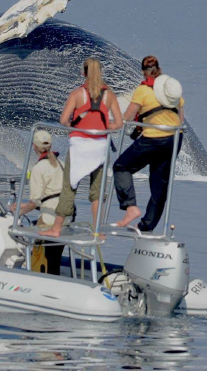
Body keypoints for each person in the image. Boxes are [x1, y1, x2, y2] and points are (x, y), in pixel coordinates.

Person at [39, 58, 122, 238]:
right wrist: (107, 128)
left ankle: (56, 228)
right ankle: (98, 230)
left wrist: (75, 124)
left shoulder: (77, 94)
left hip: (79, 147)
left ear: (83, 73)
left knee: (70, 187)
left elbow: (63, 121)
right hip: (100, 147)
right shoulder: (109, 95)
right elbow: (119, 123)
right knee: (97, 191)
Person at [114, 55, 184, 232]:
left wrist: (113, 123)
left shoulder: (143, 91)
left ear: (143, 71)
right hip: (175, 139)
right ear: (159, 69)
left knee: (121, 167)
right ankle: (147, 226)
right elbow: (180, 119)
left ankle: (130, 207)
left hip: (154, 138)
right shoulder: (172, 90)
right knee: (159, 184)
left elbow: (128, 117)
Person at [11, 130, 66, 274]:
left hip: (50, 220)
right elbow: (53, 195)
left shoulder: (38, 168)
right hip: (66, 218)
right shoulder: (62, 164)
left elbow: (34, 202)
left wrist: (19, 212)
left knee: (44, 257)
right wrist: (24, 205)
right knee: (55, 258)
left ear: (34, 147)